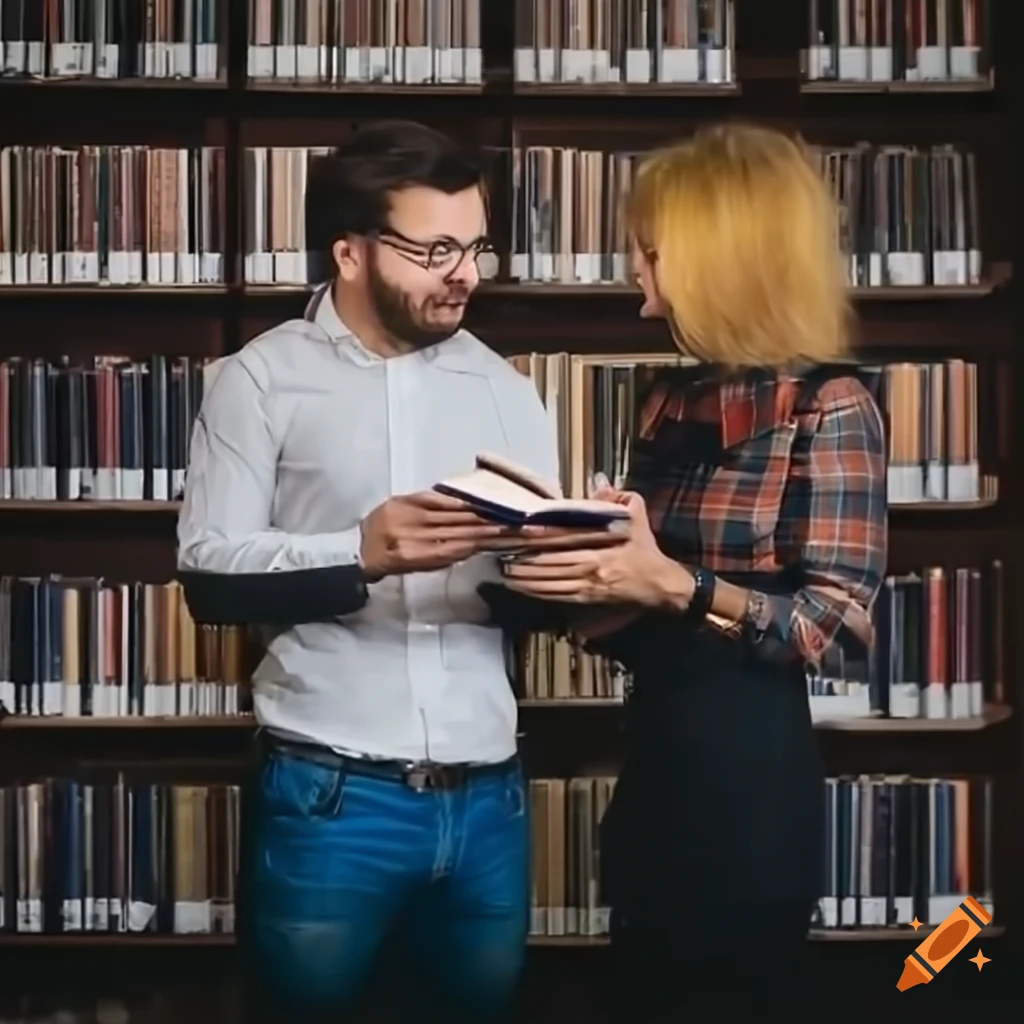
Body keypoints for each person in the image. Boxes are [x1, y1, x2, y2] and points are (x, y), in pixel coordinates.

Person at [175, 120, 616, 1022]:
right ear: (349, 252)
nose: (467, 272)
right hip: (331, 802)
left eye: (476, 246)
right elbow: (208, 577)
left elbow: (521, 605)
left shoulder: (505, 388)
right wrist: (361, 552)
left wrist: (567, 565)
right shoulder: (256, 382)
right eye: (436, 249)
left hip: (490, 798)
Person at [500, 123, 888, 1017]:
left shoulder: (831, 406)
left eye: (651, 252)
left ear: (722, 256)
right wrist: (579, 575)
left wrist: (672, 585)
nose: (636, 273)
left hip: (750, 788)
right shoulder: (671, 395)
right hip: (659, 766)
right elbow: (650, 599)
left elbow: (833, 627)